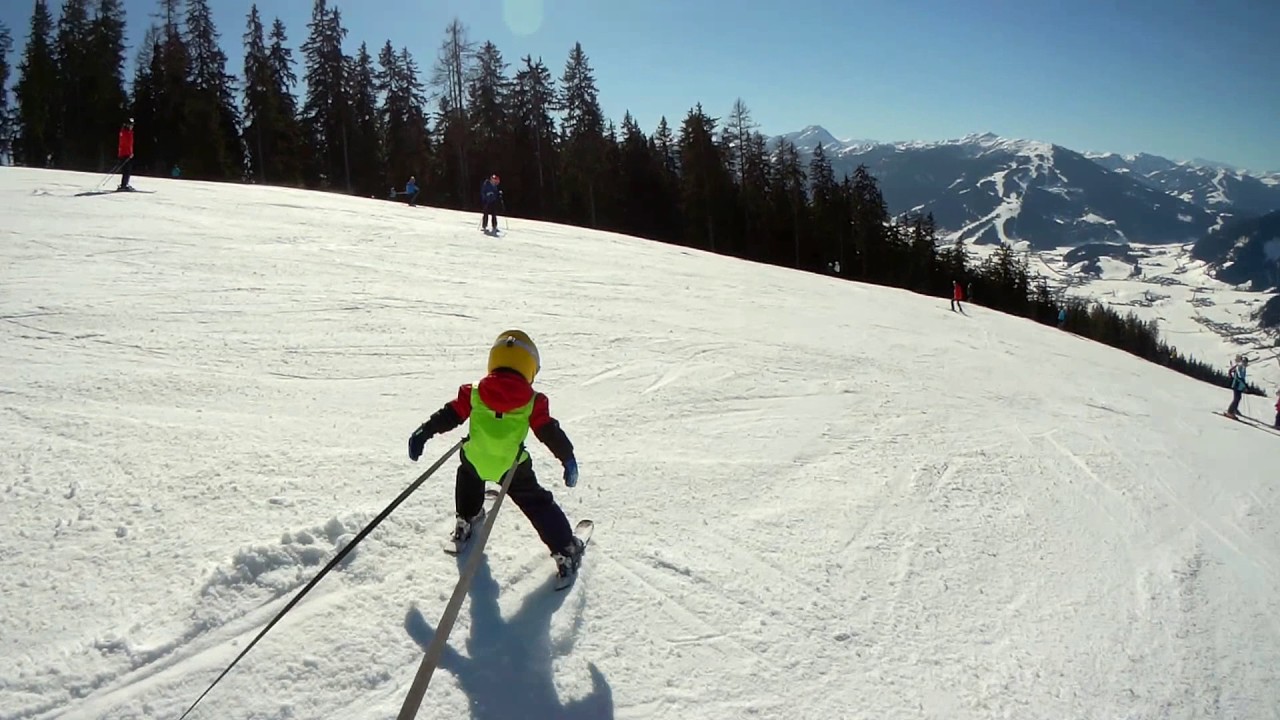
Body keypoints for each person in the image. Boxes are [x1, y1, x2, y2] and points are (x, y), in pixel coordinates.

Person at [406, 330, 585, 579]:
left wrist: (423, 433)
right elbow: (548, 431)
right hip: (511, 467)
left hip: (476, 457)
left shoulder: (474, 392)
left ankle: (465, 520)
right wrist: (567, 458)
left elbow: (449, 415)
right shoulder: (533, 401)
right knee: (536, 503)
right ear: (529, 367)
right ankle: (565, 549)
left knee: (468, 473)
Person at [1226, 355, 1248, 419]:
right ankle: (1230, 412)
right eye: (1244, 362)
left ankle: (1234, 410)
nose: (1245, 363)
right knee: (1236, 398)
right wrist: (1245, 385)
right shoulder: (1239, 366)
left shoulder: (1243, 367)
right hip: (1237, 385)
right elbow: (1240, 377)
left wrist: (1244, 386)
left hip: (1239, 386)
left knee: (1238, 398)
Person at [117, 119, 135, 191]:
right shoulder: (125, 133)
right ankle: (124, 185)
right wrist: (129, 153)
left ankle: (125, 184)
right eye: (131, 125)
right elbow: (126, 144)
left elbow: (130, 144)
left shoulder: (128, 132)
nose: (132, 126)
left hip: (126, 153)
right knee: (126, 170)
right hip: (125, 154)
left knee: (127, 170)